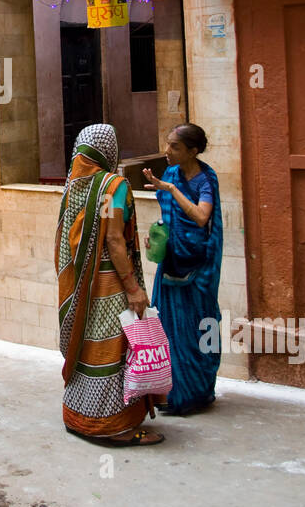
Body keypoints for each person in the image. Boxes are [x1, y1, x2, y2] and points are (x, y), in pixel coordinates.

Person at [57, 123, 164, 446]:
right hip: (109, 284)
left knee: (90, 344)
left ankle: (81, 417)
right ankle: (114, 427)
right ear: (109, 151)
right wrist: (133, 287)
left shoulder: (74, 185)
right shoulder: (112, 185)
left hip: (82, 288)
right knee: (113, 349)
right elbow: (115, 239)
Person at [142, 123, 223, 416]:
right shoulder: (171, 173)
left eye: (175, 147)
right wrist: (158, 235)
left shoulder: (205, 179)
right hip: (172, 264)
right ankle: (171, 395)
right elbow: (169, 216)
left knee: (198, 329)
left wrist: (172, 189)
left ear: (193, 151)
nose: (167, 151)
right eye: (167, 144)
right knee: (168, 330)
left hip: (197, 269)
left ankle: (197, 393)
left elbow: (202, 218)